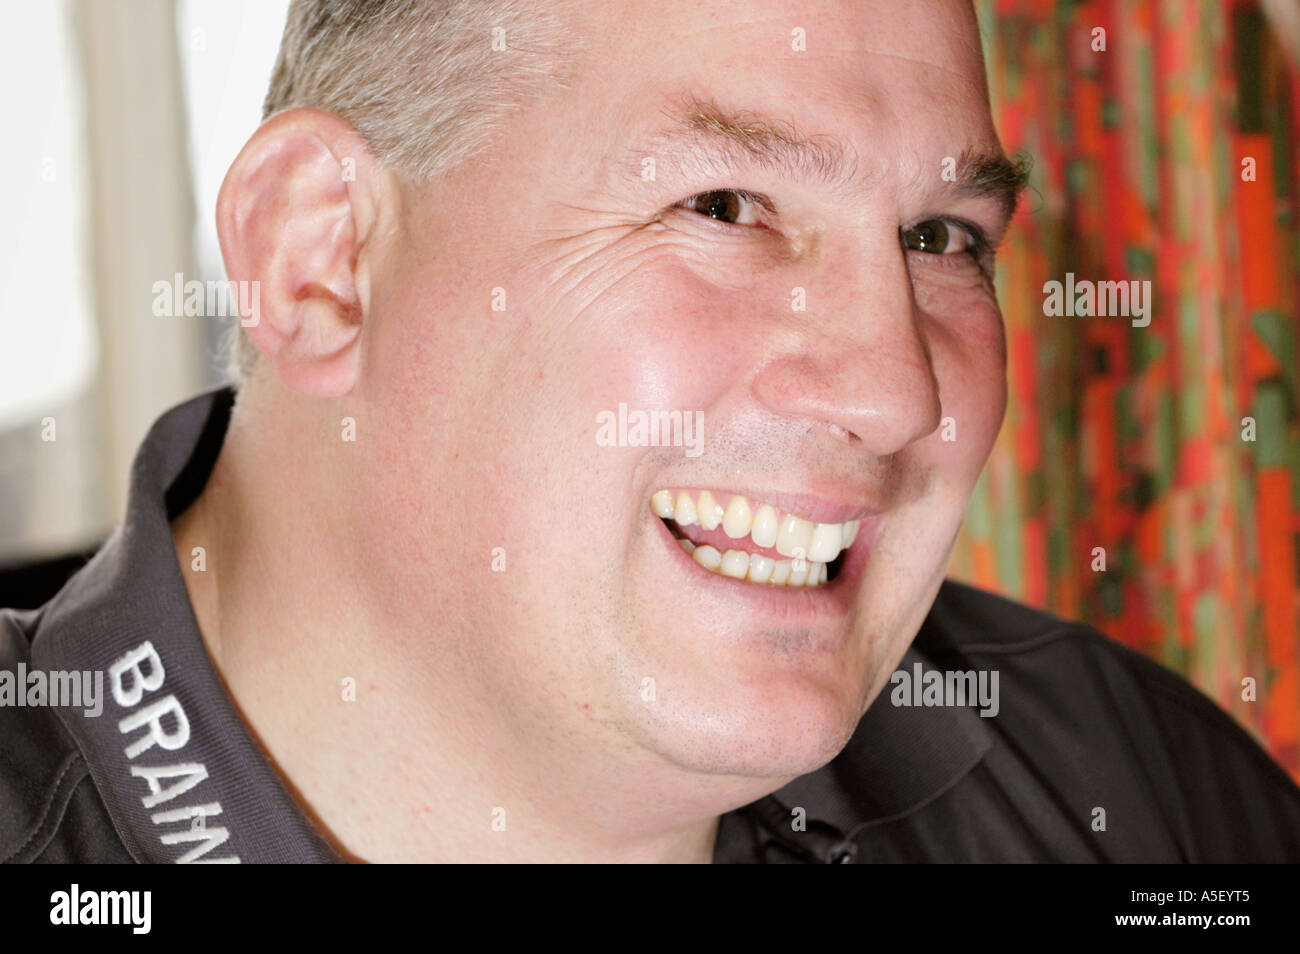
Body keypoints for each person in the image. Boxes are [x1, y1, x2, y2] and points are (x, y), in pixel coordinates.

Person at [3, 0, 1298, 864]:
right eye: (727, 205)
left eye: (941, 238)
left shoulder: (1124, 790)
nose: (896, 391)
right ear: (320, 262)